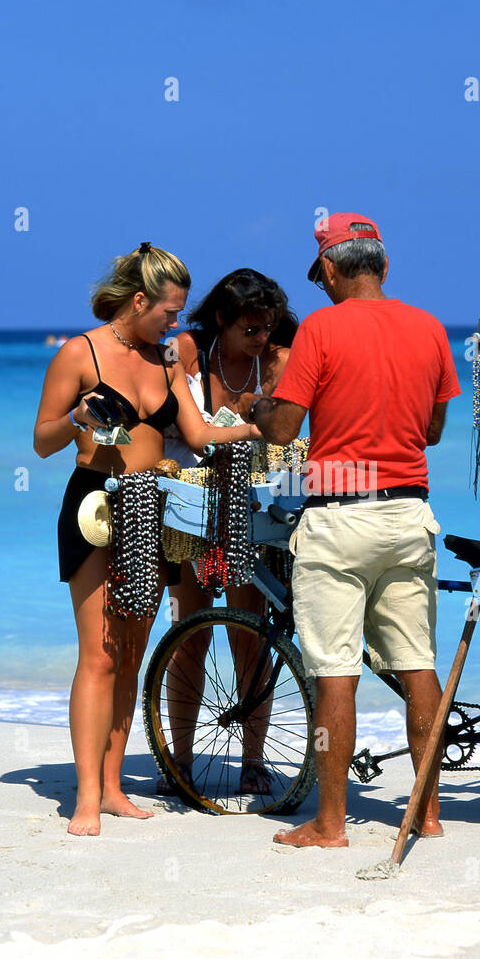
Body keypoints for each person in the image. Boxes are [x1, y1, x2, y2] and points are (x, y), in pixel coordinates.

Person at [32, 243, 261, 836]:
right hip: (95, 506)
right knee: (100, 654)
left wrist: (266, 423)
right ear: (139, 301)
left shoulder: (165, 363)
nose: (177, 325)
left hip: (154, 510)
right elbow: (42, 440)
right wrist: (80, 417)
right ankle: (86, 797)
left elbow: (198, 434)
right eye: (169, 312)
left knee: (132, 653)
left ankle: (112, 789)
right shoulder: (80, 354)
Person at [248, 213, 461, 848]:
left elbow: (285, 430)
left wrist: (261, 405)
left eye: (322, 278)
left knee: (334, 674)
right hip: (408, 514)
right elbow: (432, 432)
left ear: (334, 269)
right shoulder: (428, 328)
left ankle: (331, 822)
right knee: (417, 665)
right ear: (385, 267)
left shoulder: (320, 328)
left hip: (339, 519)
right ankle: (426, 812)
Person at [156, 269, 299, 796]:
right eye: (250, 329)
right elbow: (176, 422)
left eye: (267, 327)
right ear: (222, 318)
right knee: (188, 634)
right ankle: (180, 758)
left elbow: (293, 433)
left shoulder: (281, 359)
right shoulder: (185, 350)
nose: (261, 338)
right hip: (191, 502)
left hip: (256, 508)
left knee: (250, 634)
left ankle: (254, 760)